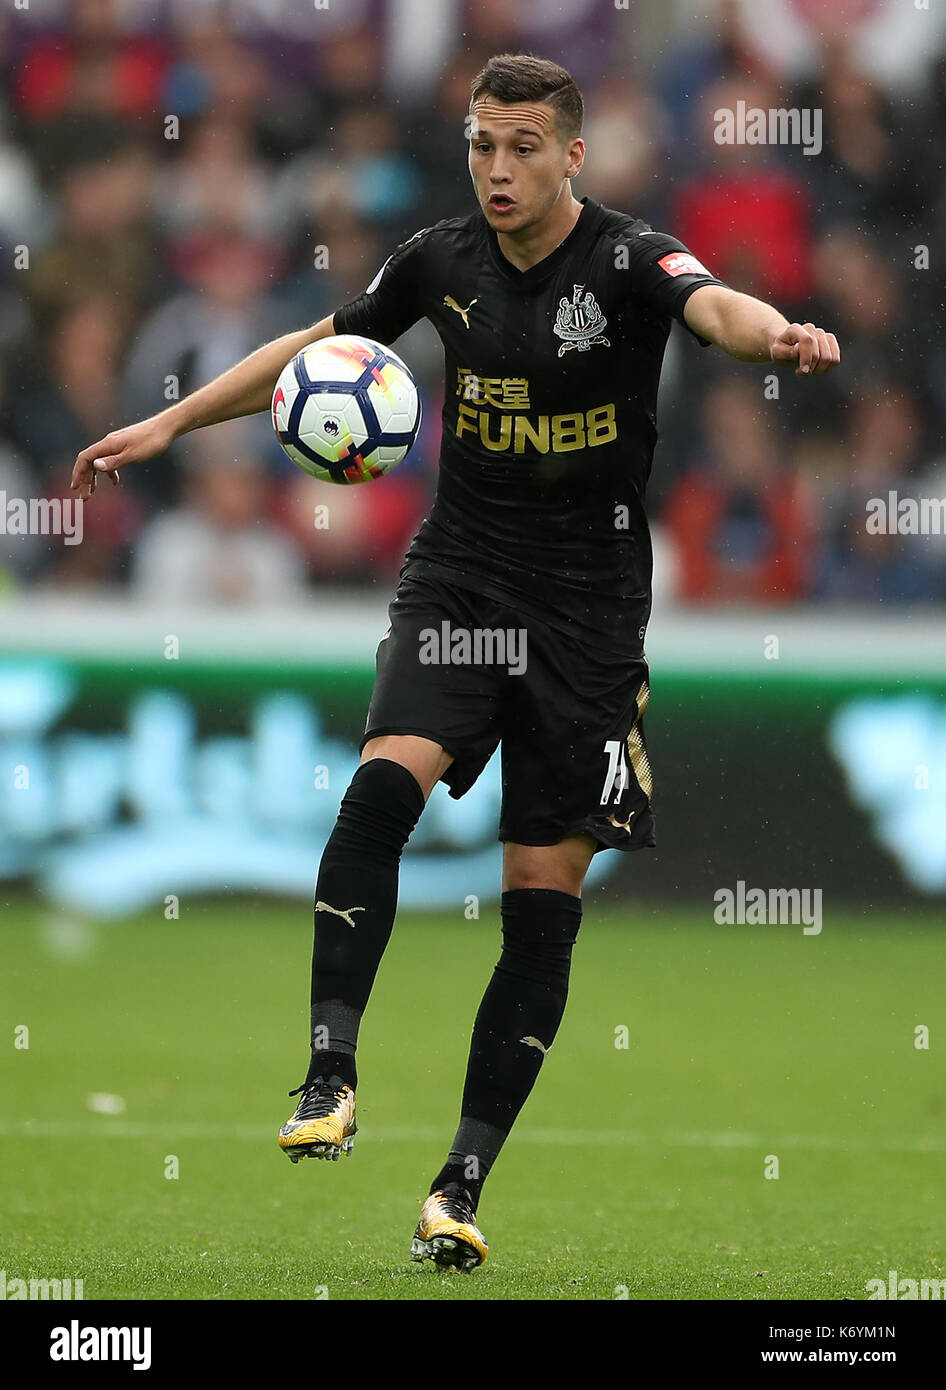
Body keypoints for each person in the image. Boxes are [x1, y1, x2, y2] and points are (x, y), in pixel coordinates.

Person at [72, 53, 840, 1273]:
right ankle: (330, 1070)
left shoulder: (629, 261)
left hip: (588, 617)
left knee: (541, 907)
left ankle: (458, 1183)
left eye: (522, 147)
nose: (496, 168)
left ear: (572, 156)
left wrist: (778, 336)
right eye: (482, 144)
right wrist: (167, 422)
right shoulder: (438, 262)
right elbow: (311, 344)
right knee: (383, 783)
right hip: (461, 579)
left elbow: (714, 305)